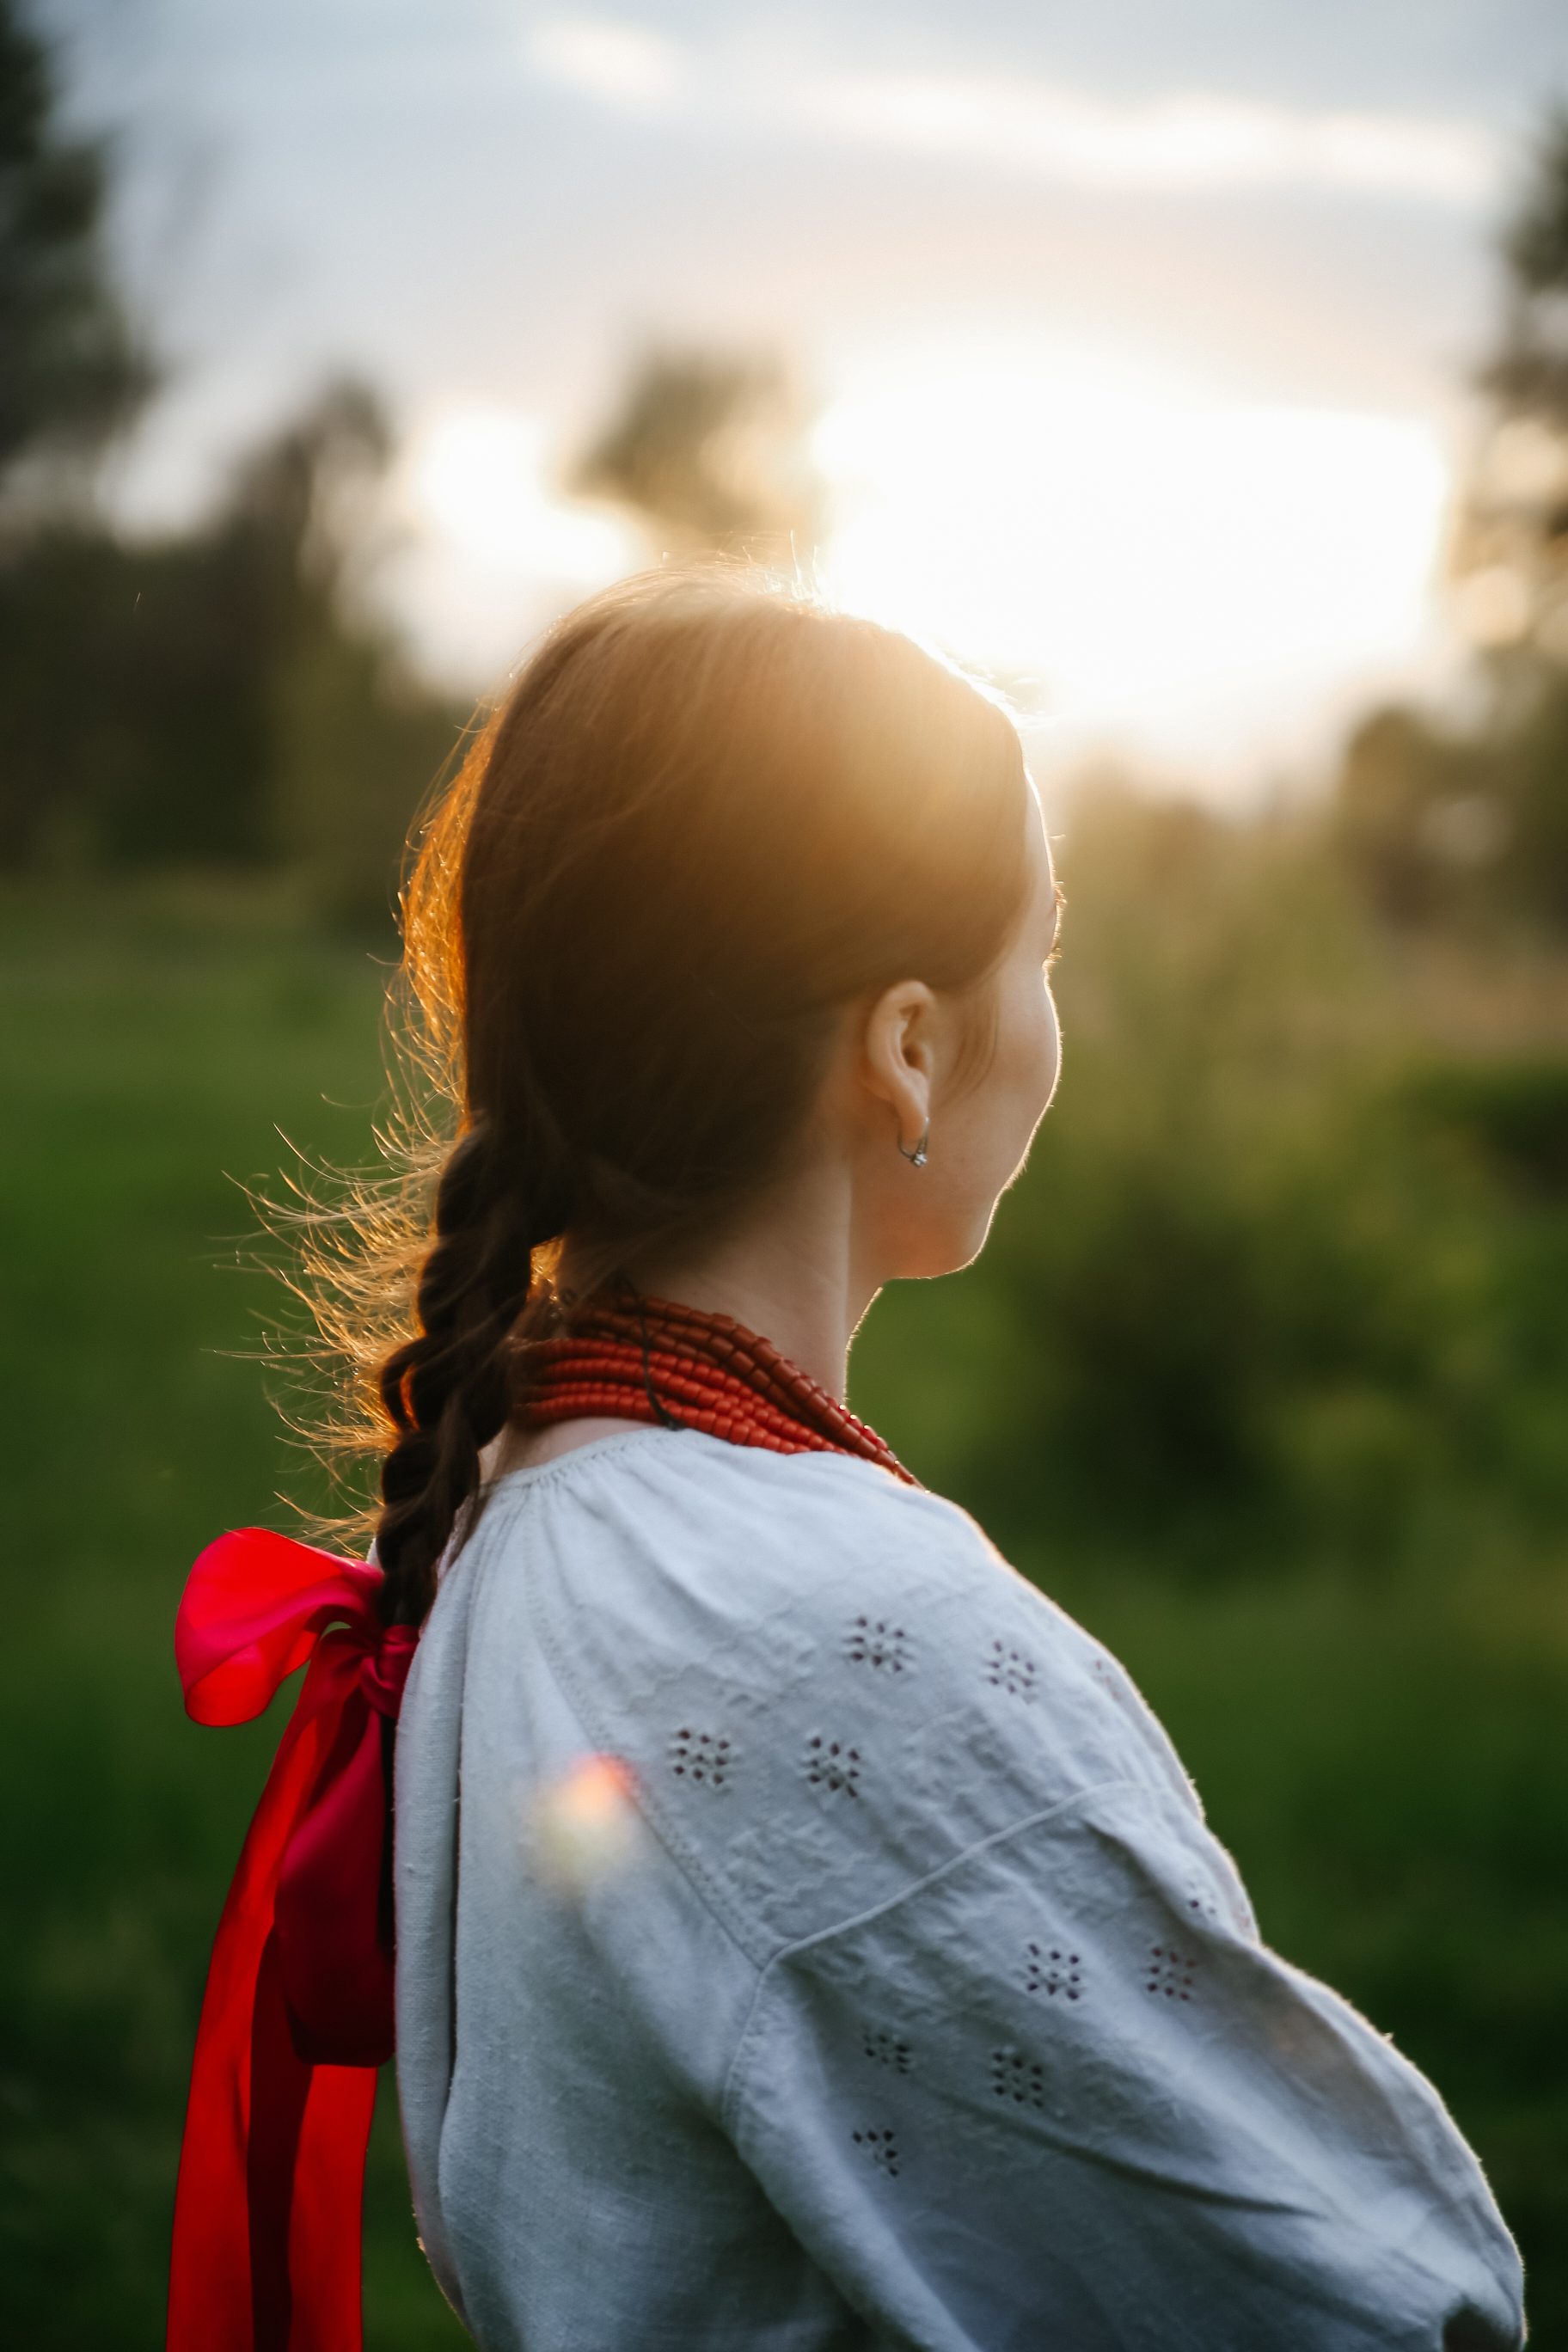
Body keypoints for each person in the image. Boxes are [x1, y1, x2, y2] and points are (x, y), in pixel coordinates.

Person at [169, 568, 1524, 2351]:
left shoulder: (513, 1515)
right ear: (906, 1049)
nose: (1054, 1016)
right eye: (1042, 951)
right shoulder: (836, 1641)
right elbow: (1362, 2299)